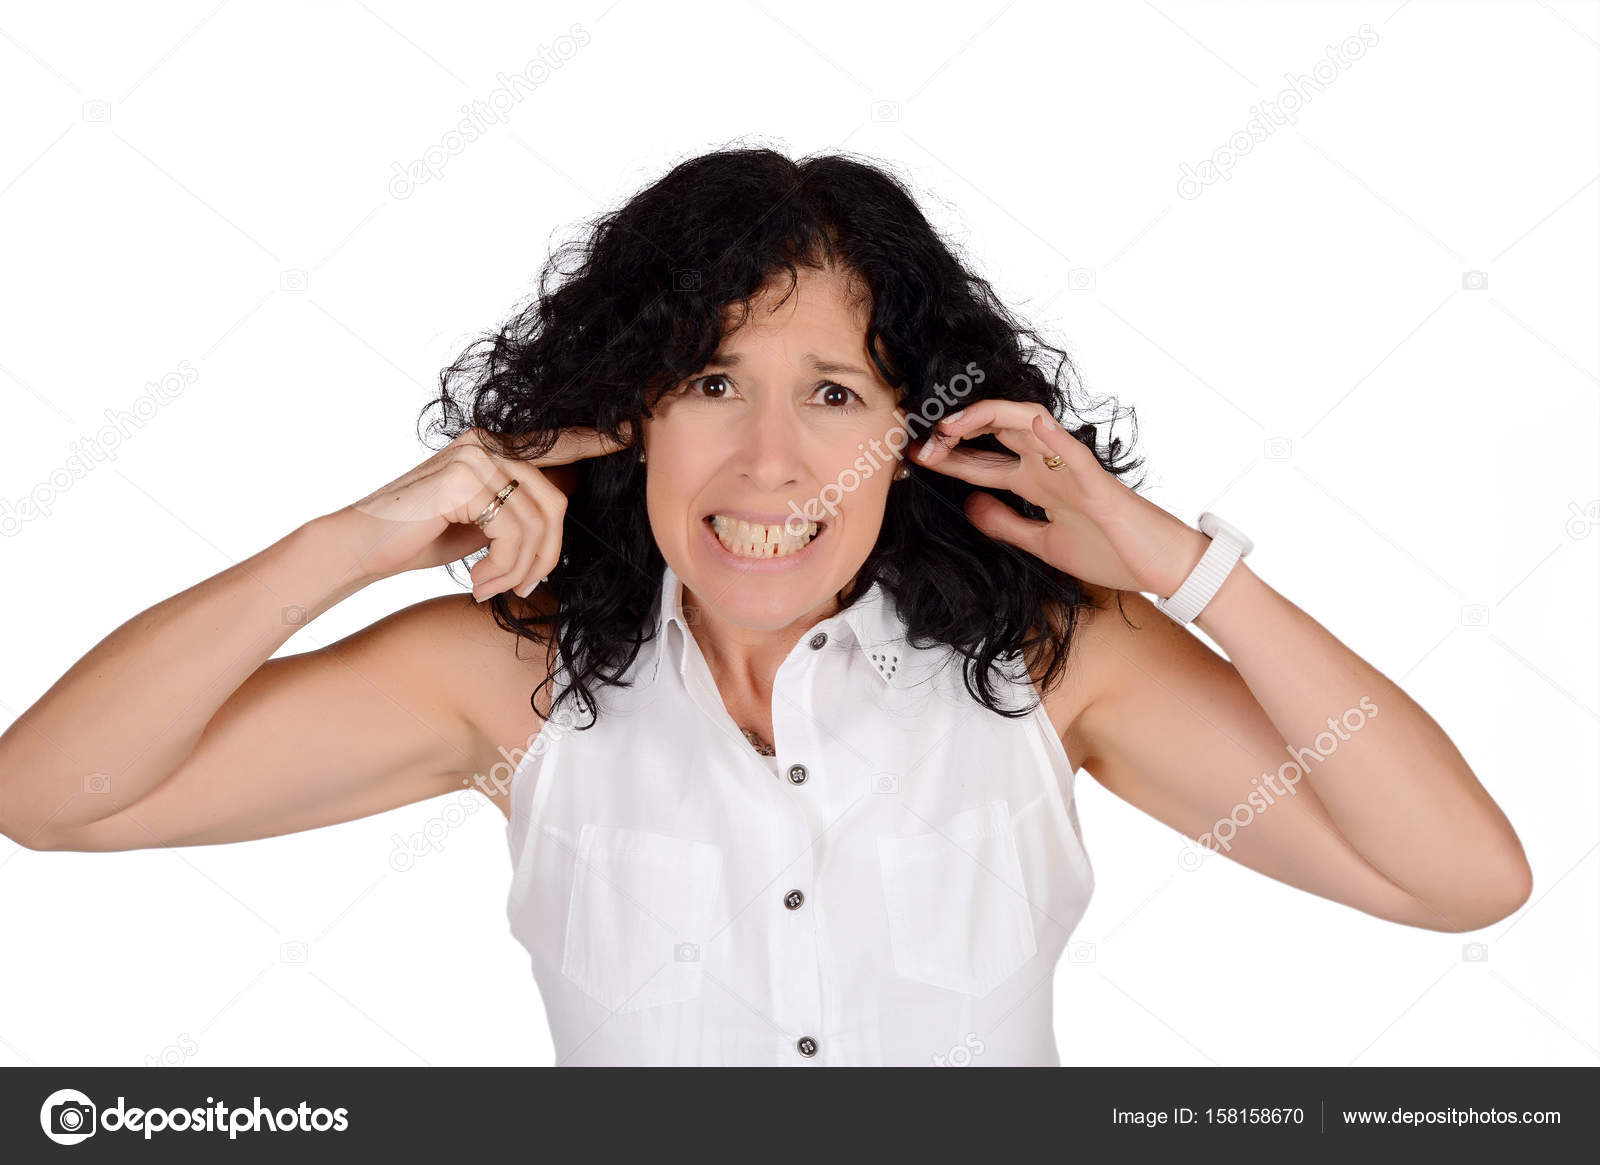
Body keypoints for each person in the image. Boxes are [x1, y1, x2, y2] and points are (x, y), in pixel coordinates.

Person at [0, 148, 1530, 1066]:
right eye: (712, 382)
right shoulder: (504, 684)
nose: (770, 459)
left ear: (912, 429)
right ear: (629, 416)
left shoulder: (1052, 666)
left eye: (834, 393)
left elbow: (1462, 882)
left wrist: (1181, 570)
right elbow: (55, 799)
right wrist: (356, 540)